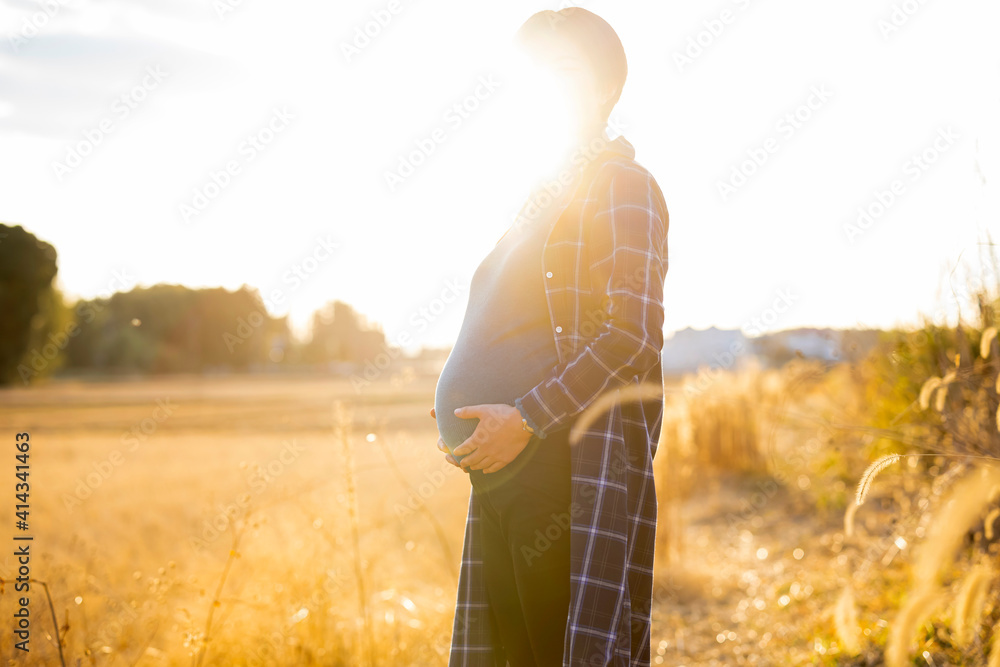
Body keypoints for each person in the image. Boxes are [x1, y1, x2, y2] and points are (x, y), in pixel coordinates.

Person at [431, 7, 669, 666]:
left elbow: (631, 334)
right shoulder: (537, 197)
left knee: (553, 652)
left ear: (604, 89)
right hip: (503, 473)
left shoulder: (622, 185)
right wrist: (460, 396)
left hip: (560, 469)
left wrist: (525, 416)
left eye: (564, 71)